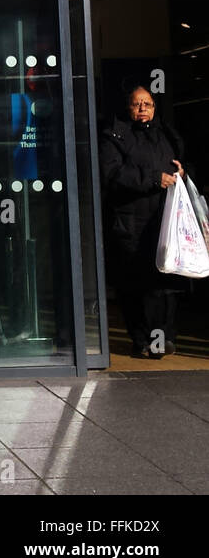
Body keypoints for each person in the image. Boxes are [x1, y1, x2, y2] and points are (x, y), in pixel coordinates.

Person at [98, 85, 185, 359]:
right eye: (137, 104)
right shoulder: (115, 136)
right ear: (128, 108)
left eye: (147, 103)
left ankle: (165, 338)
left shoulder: (166, 133)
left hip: (164, 222)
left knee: (167, 282)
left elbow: (183, 163)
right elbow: (112, 173)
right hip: (131, 223)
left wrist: (182, 171)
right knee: (136, 286)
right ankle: (143, 341)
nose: (143, 109)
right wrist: (152, 179)